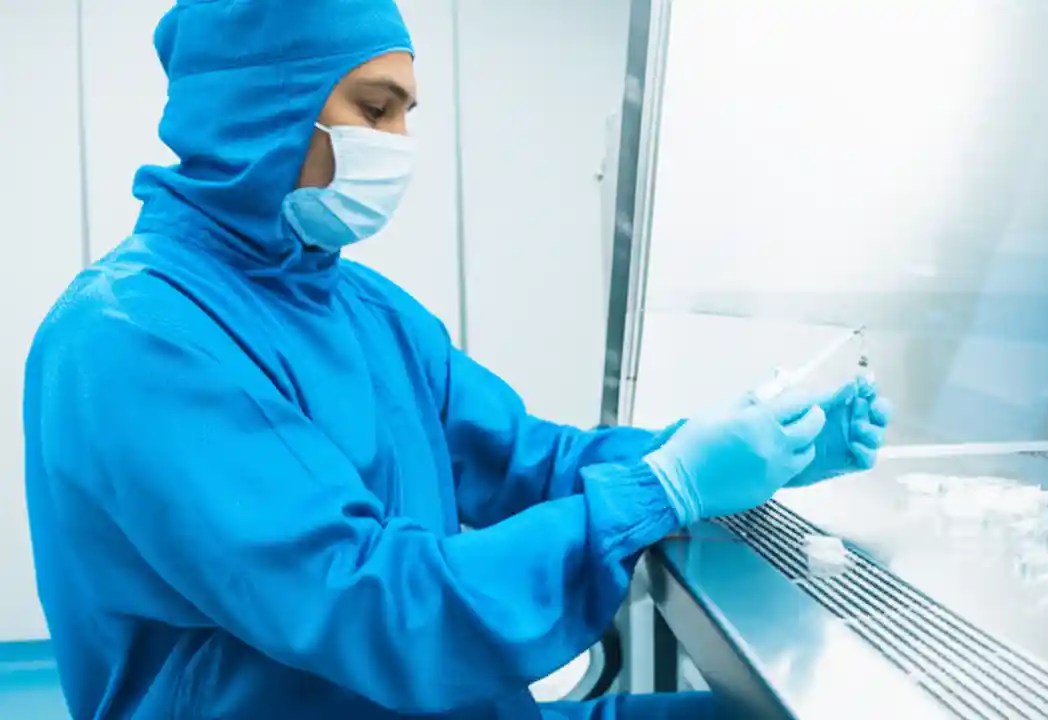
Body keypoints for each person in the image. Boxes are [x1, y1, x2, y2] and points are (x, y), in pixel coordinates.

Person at [22, 1, 889, 719]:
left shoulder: (365, 311)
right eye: (374, 108)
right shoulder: (133, 339)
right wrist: (669, 489)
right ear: (260, 105)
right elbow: (367, 600)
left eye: (406, 113)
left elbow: (532, 460)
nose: (398, 142)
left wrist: (757, 451)